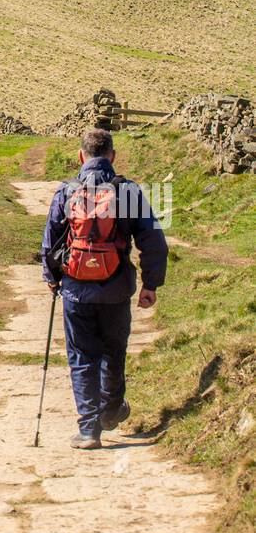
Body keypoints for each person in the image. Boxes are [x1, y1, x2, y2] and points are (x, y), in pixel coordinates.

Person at [41, 126, 168, 450]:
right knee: (114, 352)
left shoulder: (67, 191)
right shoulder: (127, 192)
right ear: (112, 156)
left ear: (81, 156)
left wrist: (53, 278)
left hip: (75, 290)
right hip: (115, 290)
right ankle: (111, 410)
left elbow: (50, 241)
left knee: (82, 357)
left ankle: (88, 431)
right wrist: (150, 285)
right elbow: (153, 242)